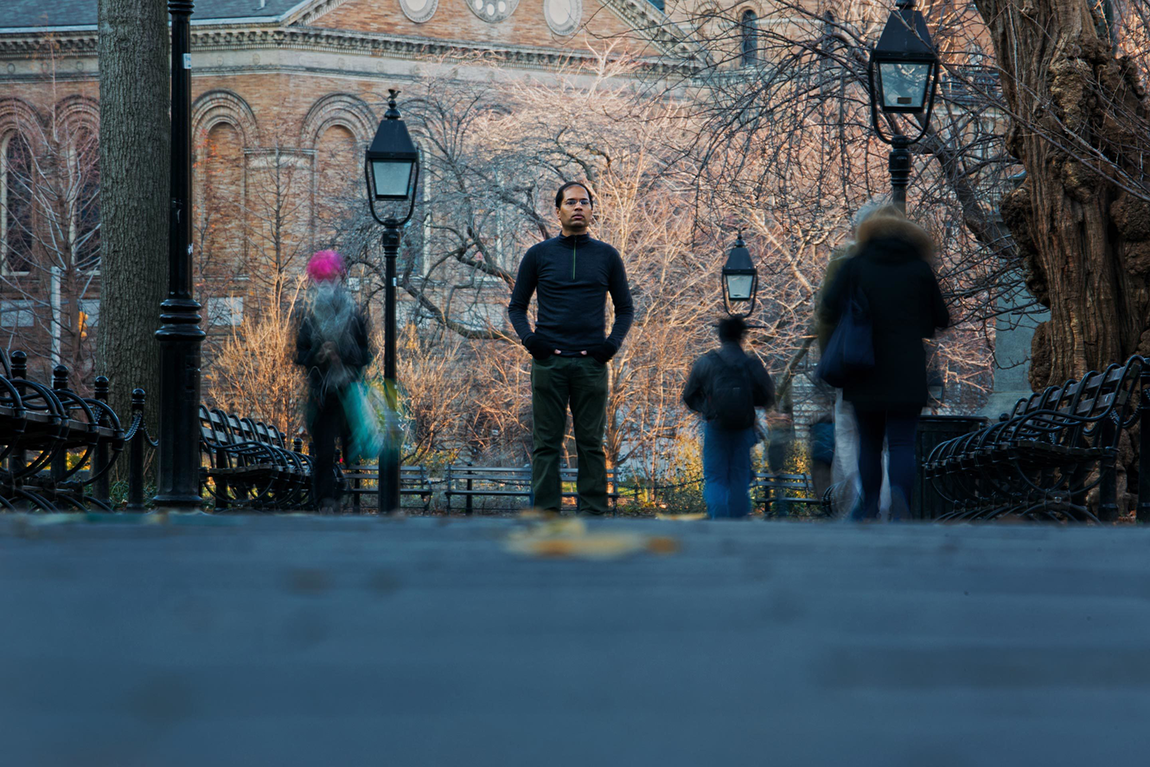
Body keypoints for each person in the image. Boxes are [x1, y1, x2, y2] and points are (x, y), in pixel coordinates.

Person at [507, 182, 634, 515]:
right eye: (571, 202)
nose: (578, 207)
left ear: (592, 210)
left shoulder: (607, 256)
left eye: (584, 202)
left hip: (591, 364)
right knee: (546, 444)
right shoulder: (539, 255)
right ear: (558, 210)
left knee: (592, 444)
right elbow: (516, 306)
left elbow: (626, 309)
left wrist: (610, 346)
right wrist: (531, 341)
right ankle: (546, 513)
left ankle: (593, 512)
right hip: (549, 365)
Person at [819, 207, 949, 520]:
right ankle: (901, 500)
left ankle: (869, 506)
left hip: (863, 366)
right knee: (903, 441)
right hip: (907, 368)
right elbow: (940, 319)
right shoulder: (919, 269)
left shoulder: (855, 266)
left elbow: (828, 307)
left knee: (870, 443)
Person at [294, 250, 373, 513]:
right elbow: (299, 355)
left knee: (351, 450)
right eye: (320, 279)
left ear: (340, 278)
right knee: (324, 453)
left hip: (347, 392)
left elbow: (365, 355)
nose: (326, 284)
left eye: (330, 278)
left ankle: (339, 494)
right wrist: (319, 354)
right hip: (321, 394)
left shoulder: (353, 314)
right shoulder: (306, 315)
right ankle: (326, 502)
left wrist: (343, 355)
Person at [682, 316, 776, 519]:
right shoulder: (751, 364)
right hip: (743, 430)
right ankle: (737, 523)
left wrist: (707, 410)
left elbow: (688, 395)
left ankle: (718, 520)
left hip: (716, 427)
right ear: (742, 336)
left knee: (715, 478)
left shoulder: (706, 362)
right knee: (739, 479)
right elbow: (768, 396)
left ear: (720, 336)